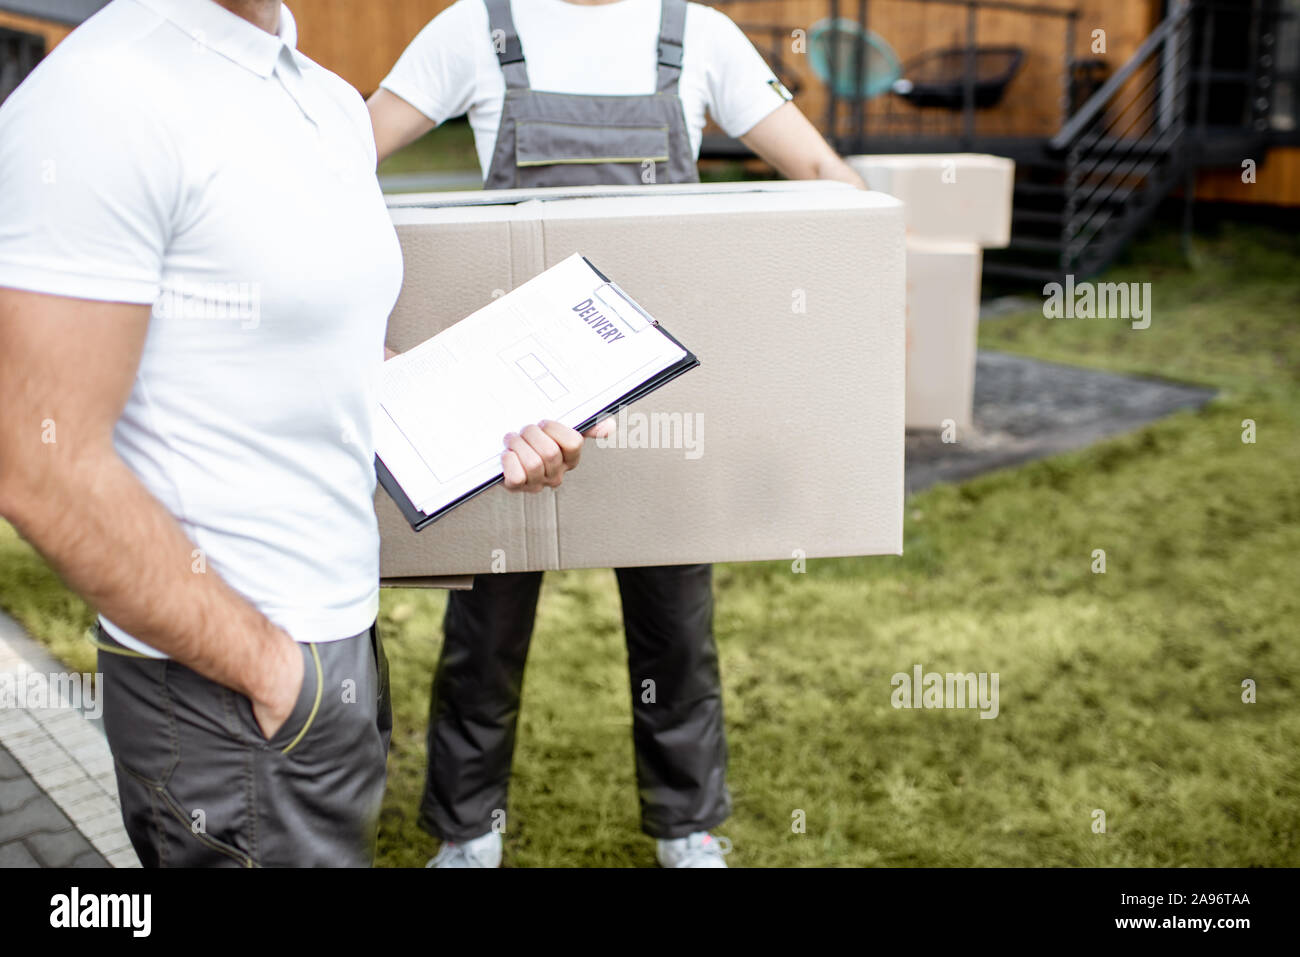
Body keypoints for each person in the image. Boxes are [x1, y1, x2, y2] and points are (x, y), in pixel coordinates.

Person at [0, 0, 590, 868]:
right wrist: (272, 671)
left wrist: (490, 421)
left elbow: (328, 348)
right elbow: (39, 460)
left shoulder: (327, 100)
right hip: (224, 686)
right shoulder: (98, 94)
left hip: (342, 641)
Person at [368, 0, 864, 868]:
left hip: (657, 389)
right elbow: (332, 157)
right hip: (512, 405)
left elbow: (820, 169)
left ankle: (687, 824)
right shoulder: (476, 26)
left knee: (676, 620)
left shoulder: (696, 32)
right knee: (483, 630)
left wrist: (859, 266)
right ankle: (466, 830)